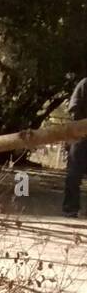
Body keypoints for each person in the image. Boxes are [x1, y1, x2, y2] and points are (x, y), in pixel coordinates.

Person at [62, 76, 87, 217]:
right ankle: (70, 208)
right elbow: (74, 109)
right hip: (80, 137)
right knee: (74, 175)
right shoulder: (84, 84)